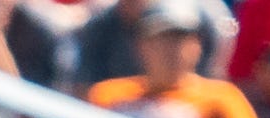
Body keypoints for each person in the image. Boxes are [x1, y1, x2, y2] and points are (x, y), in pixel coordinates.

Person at [52, 0, 267, 118]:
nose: (171, 50)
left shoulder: (221, 98)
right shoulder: (108, 94)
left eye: (181, 40)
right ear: (140, 46)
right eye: (161, 39)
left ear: (197, 46)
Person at [70, 0, 237, 88]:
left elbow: (213, 81)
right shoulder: (99, 27)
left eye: (177, 38)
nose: (170, 48)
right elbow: (83, 92)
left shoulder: (206, 18)